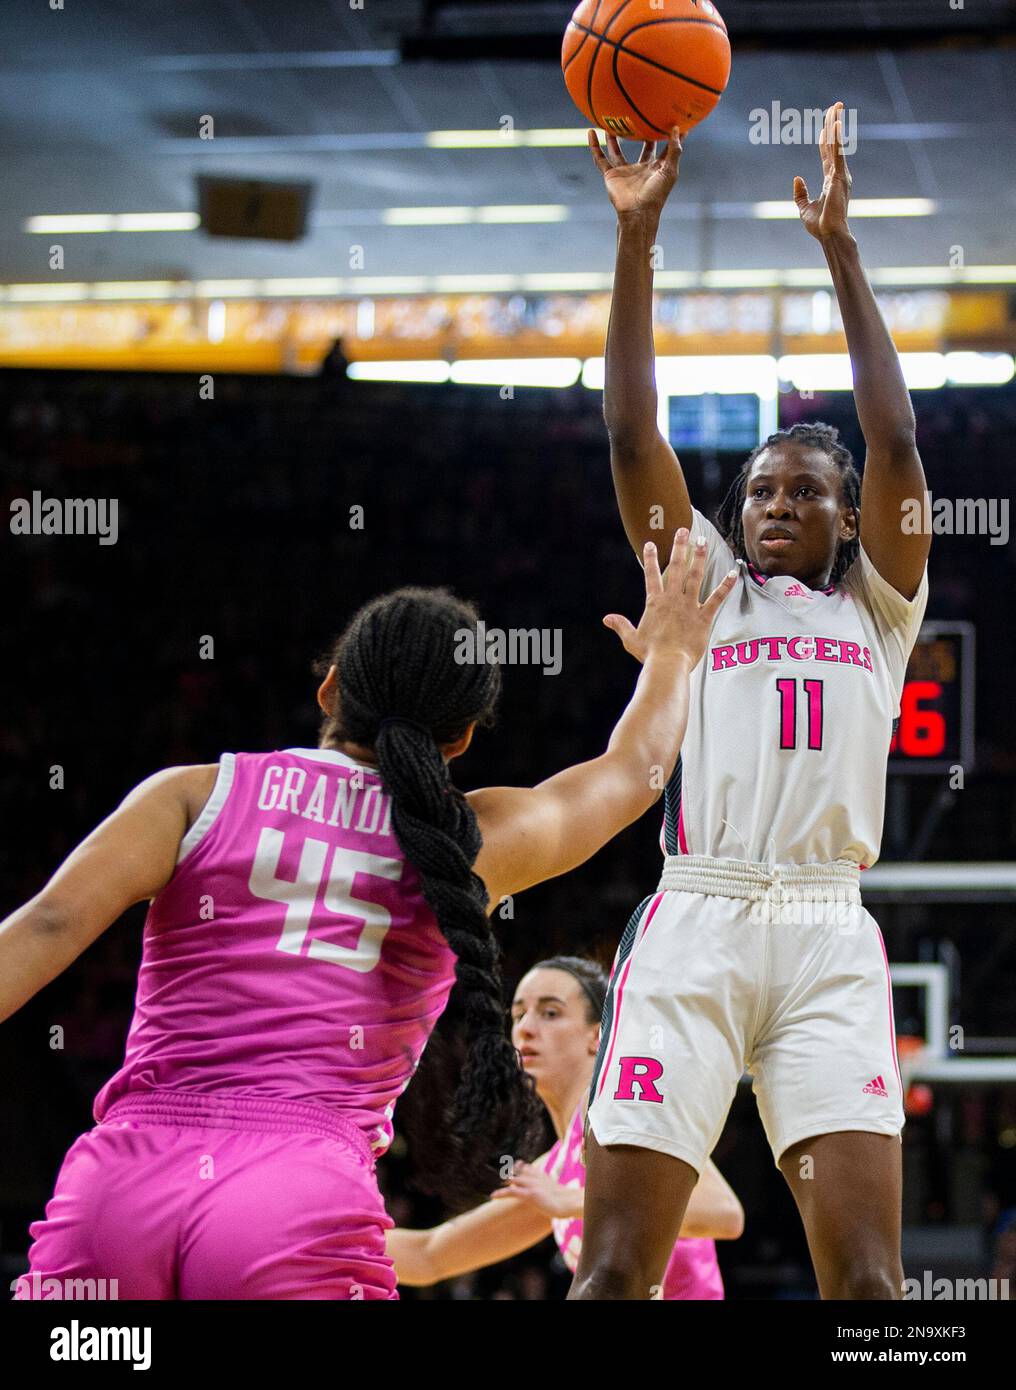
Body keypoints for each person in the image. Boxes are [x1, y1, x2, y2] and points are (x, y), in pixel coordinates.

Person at [4, 538, 736, 1301]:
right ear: (459, 738)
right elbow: (632, 773)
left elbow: (46, 925)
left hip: (120, 1185)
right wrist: (672, 656)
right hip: (294, 1196)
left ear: (329, 692)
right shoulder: (472, 842)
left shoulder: (191, 795)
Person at [573, 103, 931, 1301]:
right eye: (761, 489)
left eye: (806, 491)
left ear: (846, 516)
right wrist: (637, 240)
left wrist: (839, 248)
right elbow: (631, 436)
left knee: (872, 1287)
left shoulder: (878, 611)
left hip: (831, 935)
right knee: (616, 1267)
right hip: (698, 923)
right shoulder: (705, 593)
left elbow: (894, 435)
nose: (776, 503)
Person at [388, 955, 742, 1298]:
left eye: (550, 1013)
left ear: (598, 1035)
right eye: (518, 1014)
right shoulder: (555, 1172)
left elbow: (724, 1215)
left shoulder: (622, 1109)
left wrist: (569, 1201)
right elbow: (430, 1256)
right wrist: (339, 1222)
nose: (525, 1028)